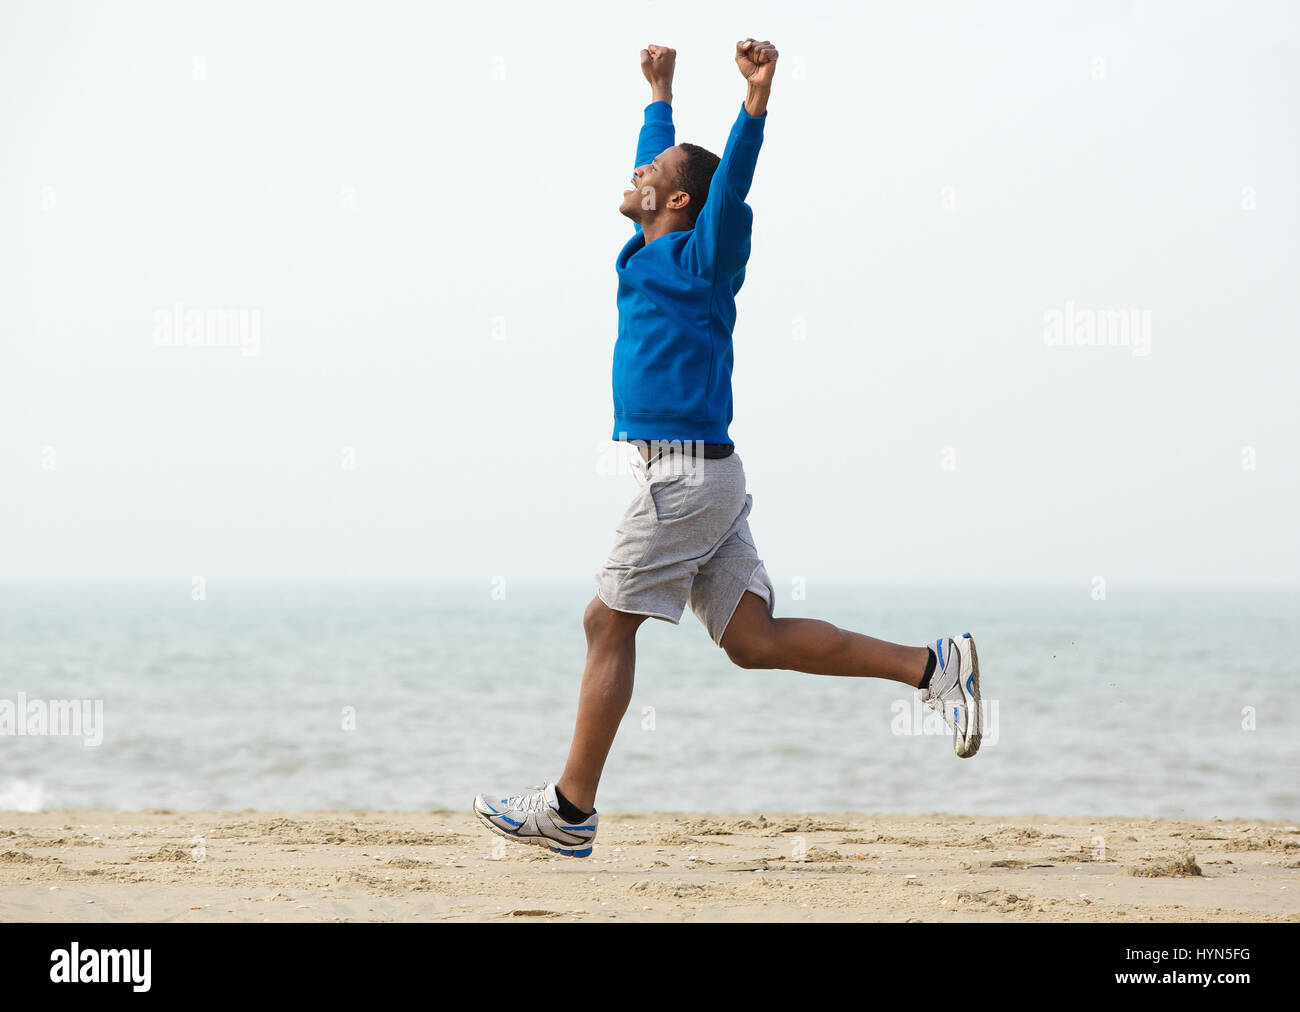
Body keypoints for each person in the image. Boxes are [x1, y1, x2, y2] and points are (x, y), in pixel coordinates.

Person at [474, 40, 982, 858]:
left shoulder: (705, 258)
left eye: (651, 173)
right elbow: (662, 166)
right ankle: (934, 668)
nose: (633, 175)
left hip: (685, 476)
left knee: (606, 623)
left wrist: (754, 101)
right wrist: (660, 94)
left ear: (675, 199)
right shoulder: (645, 249)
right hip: (707, 477)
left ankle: (571, 813)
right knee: (754, 642)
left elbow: (727, 183)